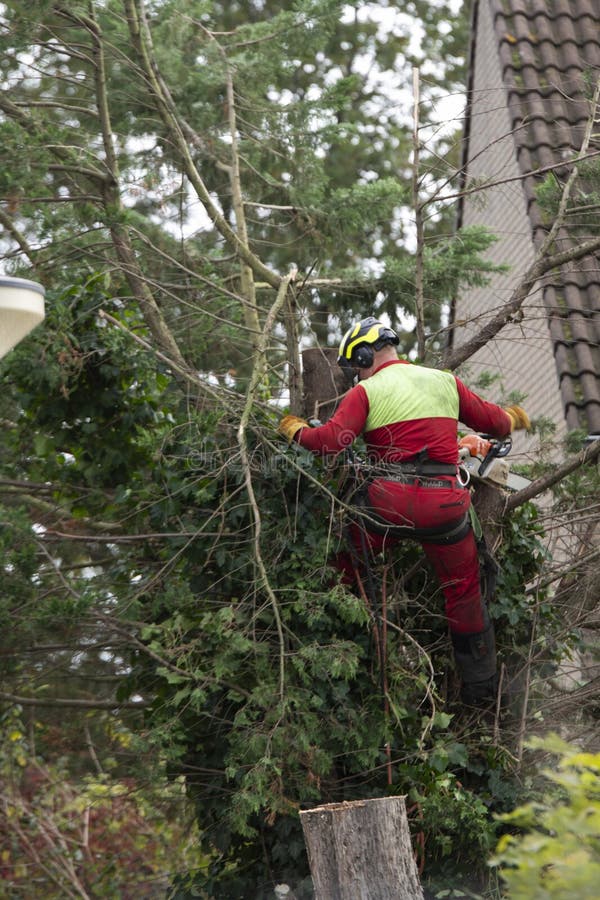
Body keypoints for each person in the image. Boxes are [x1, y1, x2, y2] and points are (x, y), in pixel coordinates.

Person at [278, 317, 531, 705]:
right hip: (445, 507)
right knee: (463, 592)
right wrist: (513, 417)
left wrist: (296, 430)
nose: (356, 376)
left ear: (362, 356)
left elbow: (331, 441)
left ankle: (332, 650)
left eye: (356, 367)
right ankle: (481, 692)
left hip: (388, 507)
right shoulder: (443, 380)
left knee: (347, 565)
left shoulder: (366, 392)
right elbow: (496, 423)